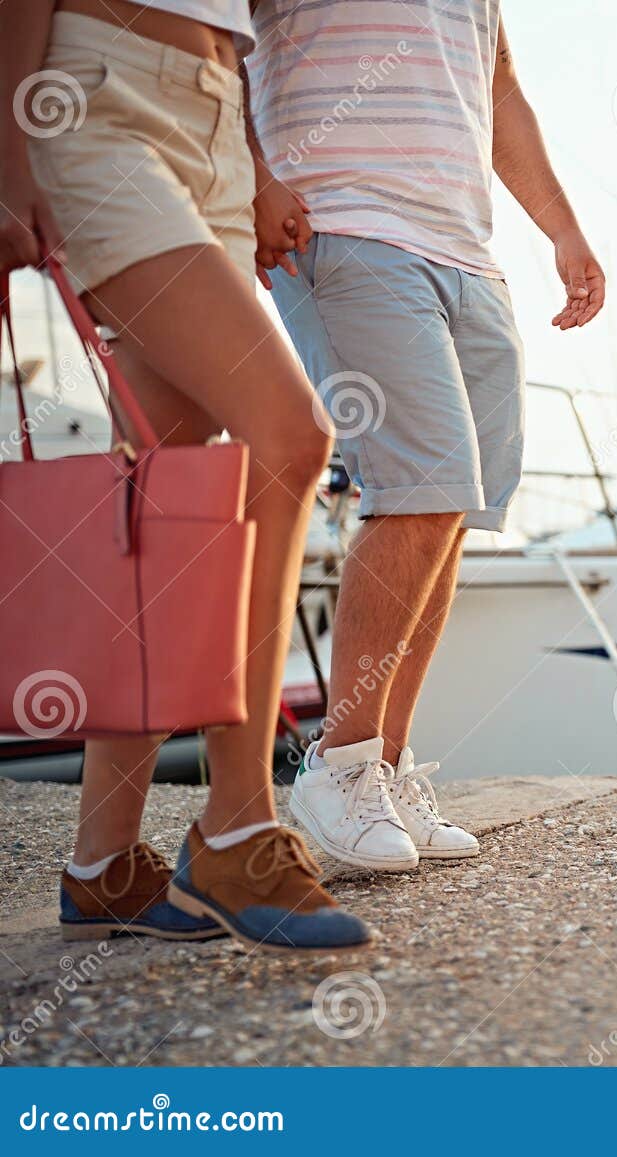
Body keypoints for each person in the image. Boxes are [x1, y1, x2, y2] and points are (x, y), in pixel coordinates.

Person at [0, 0, 368, 952]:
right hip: (91, 92)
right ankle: (238, 826)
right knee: (290, 434)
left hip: (218, 116)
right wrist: (5, 152)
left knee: (161, 491)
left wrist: (253, 158)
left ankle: (103, 863)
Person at [243, 0, 605, 870]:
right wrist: (254, 176)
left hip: (466, 251)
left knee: (459, 504)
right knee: (424, 482)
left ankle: (387, 767)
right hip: (342, 220)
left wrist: (562, 227)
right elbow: (221, 36)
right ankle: (340, 762)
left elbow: (500, 84)